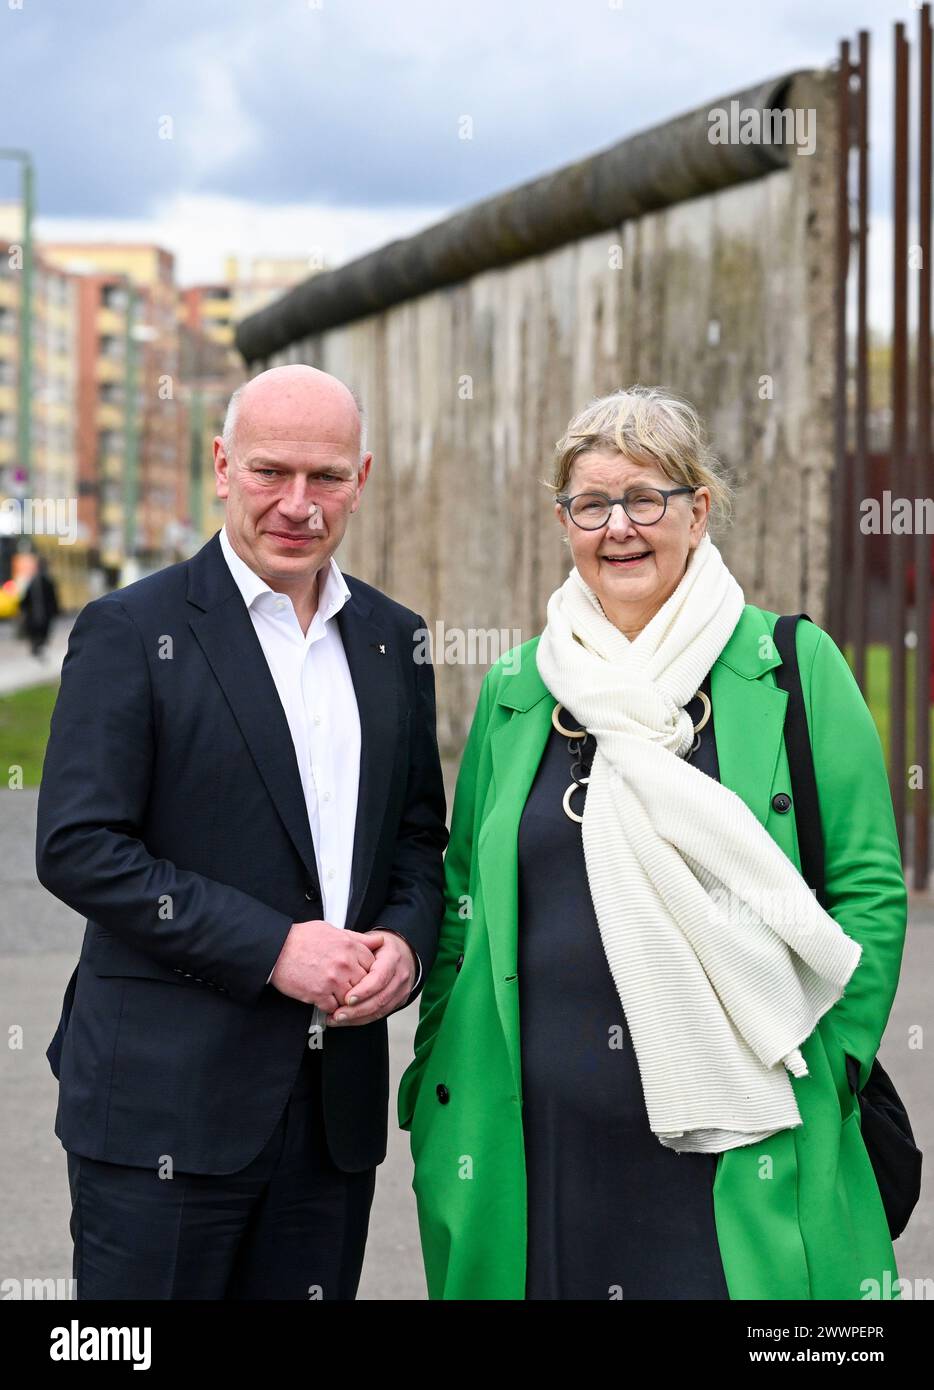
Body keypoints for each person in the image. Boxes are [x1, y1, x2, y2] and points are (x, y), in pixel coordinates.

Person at [399, 385, 908, 1301]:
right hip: (535, 1133)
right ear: (565, 522)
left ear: (697, 508)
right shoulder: (521, 686)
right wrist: (437, 1059)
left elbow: (869, 888)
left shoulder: (792, 667)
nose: (619, 528)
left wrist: (835, 1064)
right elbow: (463, 895)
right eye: (591, 504)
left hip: (746, 1117)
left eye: (646, 498)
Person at [37, 364, 447, 1300]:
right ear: (221, 466)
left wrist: (406, 947)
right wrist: (273, 950)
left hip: (330, 1120)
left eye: (326, 476)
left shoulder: (396, 638)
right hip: (160, 1115)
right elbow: (77, 845)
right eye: (271, 472)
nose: (298, 504)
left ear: (362, 478)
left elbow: (420, 838)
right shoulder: (129, 630)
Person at [20, 554, 59, 658]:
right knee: (41, 632)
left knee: (39, 632)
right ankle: (38, 648)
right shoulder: (47, 581)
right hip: (41, 614)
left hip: (36, 614)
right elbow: (53, 598)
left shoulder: (33, 581)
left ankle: (37, 648)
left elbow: (25, 599)